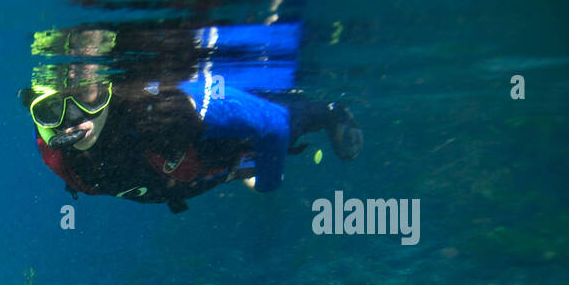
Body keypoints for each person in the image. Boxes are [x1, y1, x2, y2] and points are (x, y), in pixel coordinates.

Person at [26, 77, 362, 213]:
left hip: (226, 148)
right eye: (52, 109)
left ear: (108, 90)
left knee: (287, 116)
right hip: (182, 183)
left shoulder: (163, 109)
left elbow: (272, 124)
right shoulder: (55, 151)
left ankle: (333, 113)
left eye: (87, 97)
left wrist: (265, 183)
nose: (75, 121)